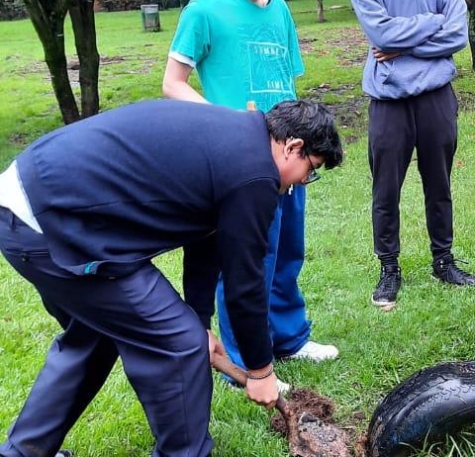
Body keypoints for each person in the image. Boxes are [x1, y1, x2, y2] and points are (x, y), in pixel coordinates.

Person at [0, 98, 344, 457]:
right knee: (179, 345)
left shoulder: (236, 140)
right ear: (293, 147)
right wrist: (260, 371)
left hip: (24, 203)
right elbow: (245, 284)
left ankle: (24, 452)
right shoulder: (256, 175)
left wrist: (200, 321)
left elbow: (206, 242)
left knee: (97, 334)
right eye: (311, 170)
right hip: (57, 225)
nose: (303, 182)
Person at [162, 0, 339, 382]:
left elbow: (287, 82)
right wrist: (228, 125)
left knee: (287, 253)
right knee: (246, 262)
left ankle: (289, 337)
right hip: (241, 164)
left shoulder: (279, 10)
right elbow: (172, 84)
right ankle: (242, 357)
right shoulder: (203, 11)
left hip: (289, 157)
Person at [347, 0, 475, 309]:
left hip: (436, 97)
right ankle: (389, 268)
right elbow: (380, 33)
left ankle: (443, 261)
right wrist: (431, 26)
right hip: (388, 101)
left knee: (439, 184)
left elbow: (457, 35)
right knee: (386, 189)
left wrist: (404, 44)